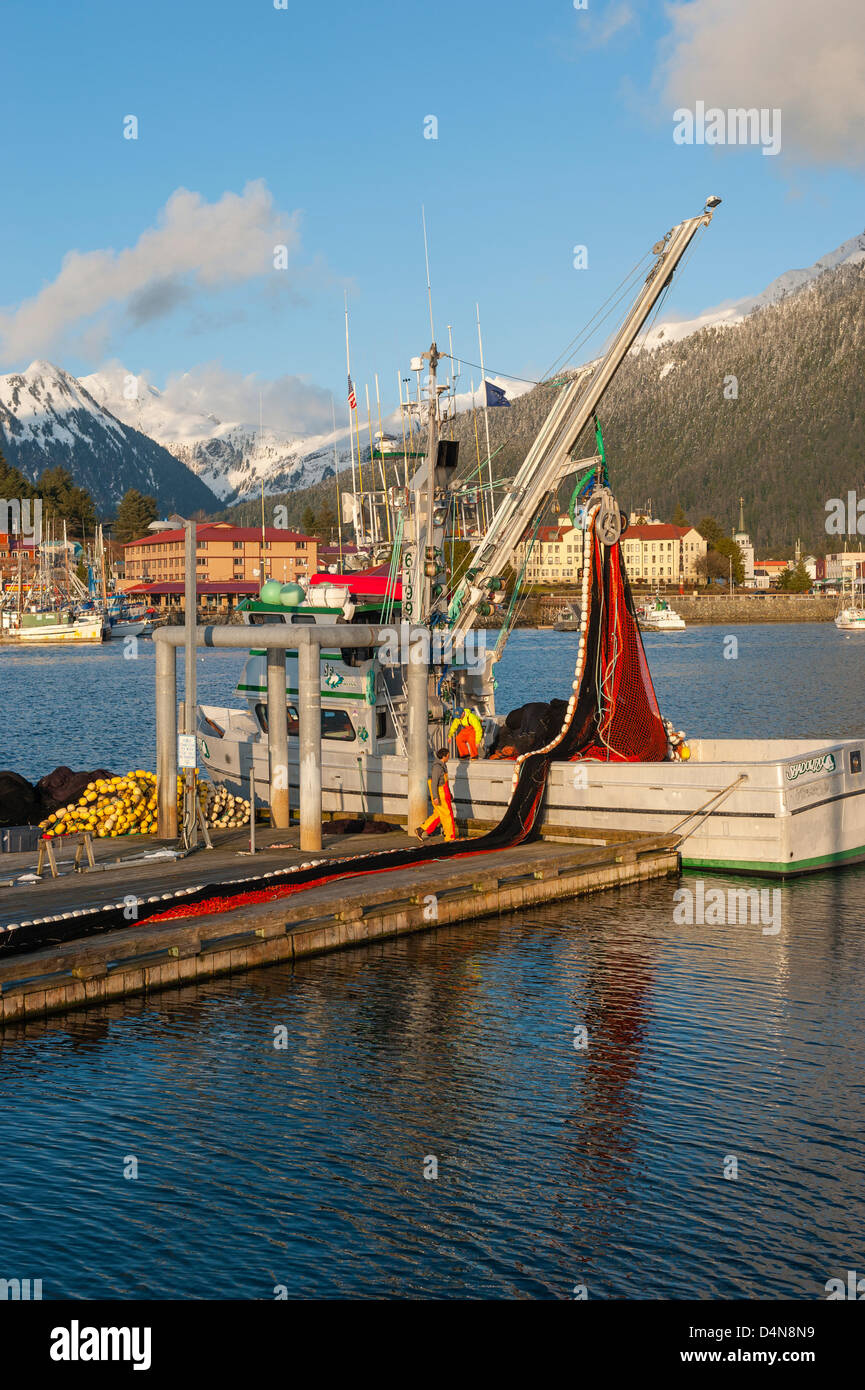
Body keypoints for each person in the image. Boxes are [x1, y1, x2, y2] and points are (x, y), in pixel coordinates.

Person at [415, 748, 456, 842]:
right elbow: (434, 783)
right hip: (440, 794)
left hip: (444, 793)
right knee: (447, 815)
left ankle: (420, 830)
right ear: (444, 756)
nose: (449, 757)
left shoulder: (443, 765)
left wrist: (449, 793)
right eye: (448, 756)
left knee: (438, 814)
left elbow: (445, 782)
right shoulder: (438, 767)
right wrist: (435, 797)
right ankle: (449, 837)